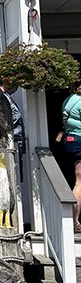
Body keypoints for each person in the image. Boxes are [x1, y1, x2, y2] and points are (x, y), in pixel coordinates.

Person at [60, 80, 81, 231]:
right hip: (80, 140)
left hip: (70, 140)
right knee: (80, 182)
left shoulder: (68, 100)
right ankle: (75, 221)